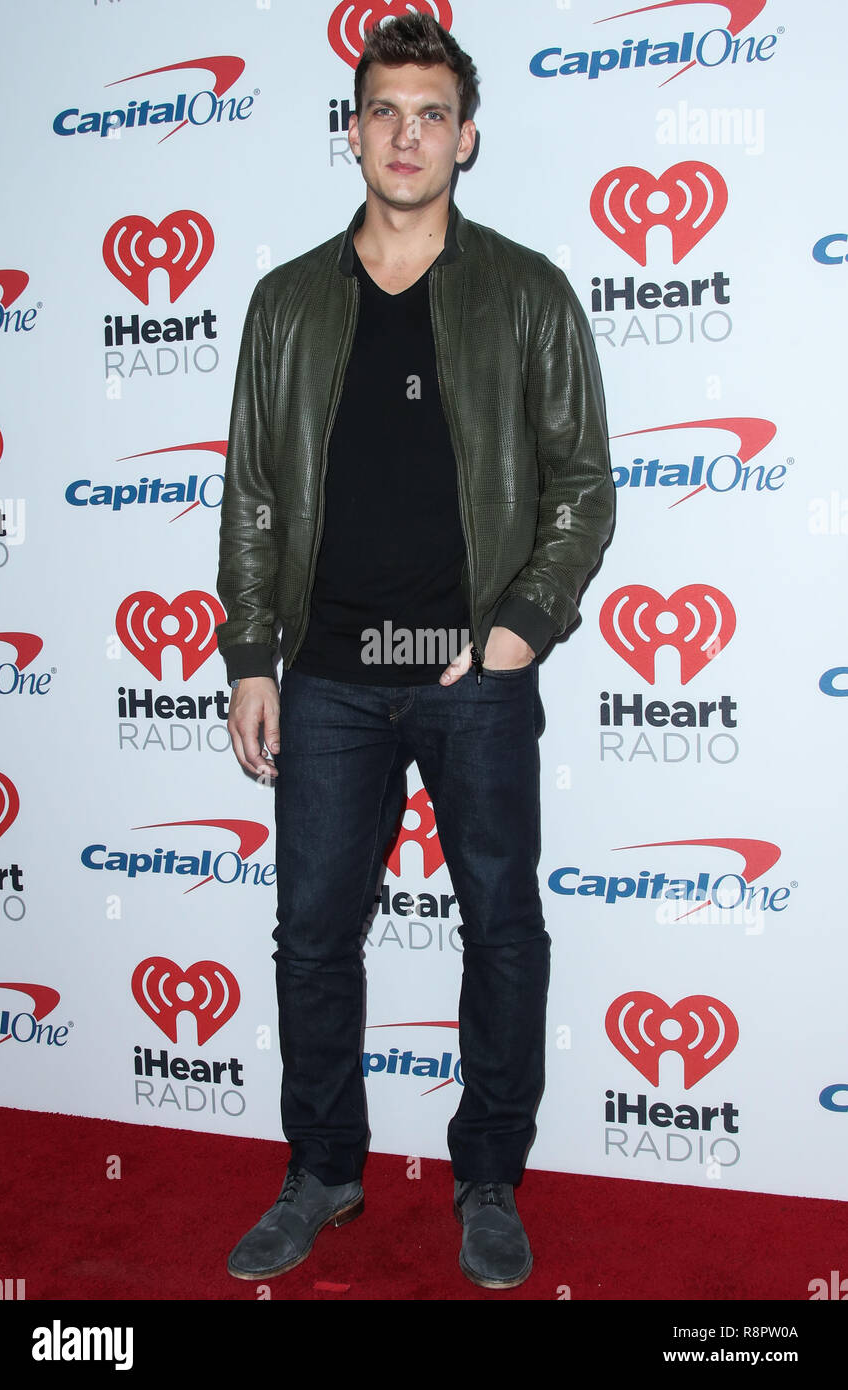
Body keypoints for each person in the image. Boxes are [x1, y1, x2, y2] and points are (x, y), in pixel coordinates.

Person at [216, 13, 614, 1291]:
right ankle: (324, 1166)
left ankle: (486, 1177)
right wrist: (250, 654)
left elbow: (580, 485)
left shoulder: (526, 291)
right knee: (310, 938)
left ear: (466, 136)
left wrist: (518, 628)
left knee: (501, 927)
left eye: (430, 113)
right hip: (326, 678)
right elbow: (253, 498)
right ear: (353, 130)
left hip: (473, 678)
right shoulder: (285, 306)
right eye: (384, 109)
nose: (406, 133)